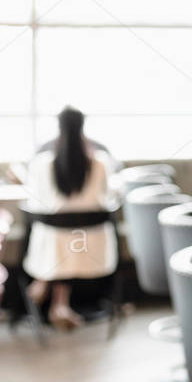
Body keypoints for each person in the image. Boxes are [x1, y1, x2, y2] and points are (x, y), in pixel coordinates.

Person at [23, 106, 119, 330]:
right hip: (93, 250)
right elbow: (110, 198)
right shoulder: (102, 162)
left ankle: (43, 285)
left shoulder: (42, 163)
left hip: (53, 252)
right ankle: (58, 304)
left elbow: (36, 201)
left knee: (51, 236)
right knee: (68, 240)